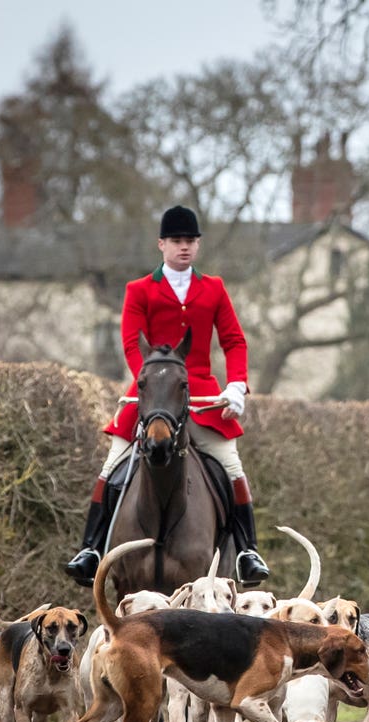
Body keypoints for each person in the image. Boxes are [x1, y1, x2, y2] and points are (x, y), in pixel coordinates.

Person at [64, 205, 270, 588]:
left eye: (190, 241)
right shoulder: (138, 290)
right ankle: (91, 548)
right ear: (161, 244)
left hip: (203, 396)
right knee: (111, 467)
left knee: (232, 466)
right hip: (152, 393)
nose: (184, 247)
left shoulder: (214, 289)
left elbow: (234, 341)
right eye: (176, 241)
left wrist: (237, 384)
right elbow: (130, 342)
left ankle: (247, 552)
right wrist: (148, 378)